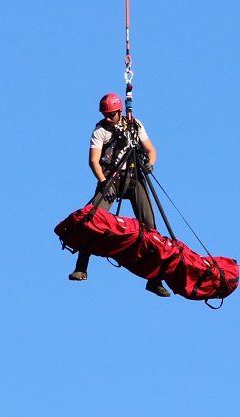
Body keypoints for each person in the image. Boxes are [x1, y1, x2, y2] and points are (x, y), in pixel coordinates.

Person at [68, 93, 170, 297]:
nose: (107, 118)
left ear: (119, 111)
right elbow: (93, 161)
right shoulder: (100, 131)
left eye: (110, 115)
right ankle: (81, 267)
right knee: (92, 219)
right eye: (105, 114)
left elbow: (151, 150)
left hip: (134, 178)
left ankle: (155, 280)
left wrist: (151, 163)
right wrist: (103, 181)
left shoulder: (135, 125)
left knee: (151, 229)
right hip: (110, 179)